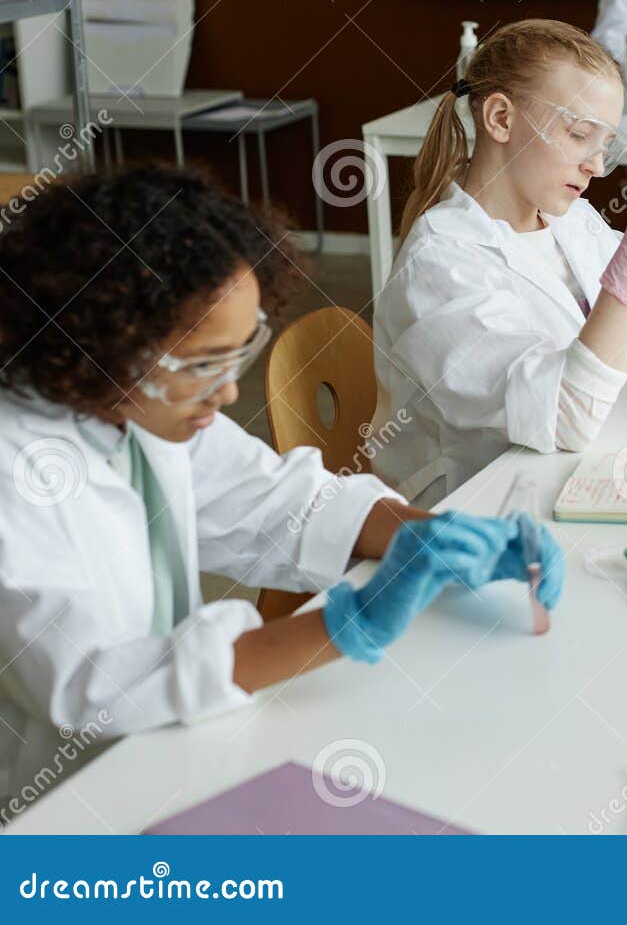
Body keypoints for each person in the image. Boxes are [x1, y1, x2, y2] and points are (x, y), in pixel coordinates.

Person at [0, 168, 560, 817]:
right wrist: (347, 624)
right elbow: (97, 686)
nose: (230, 390)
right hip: (63, 812)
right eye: (205, 362)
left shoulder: (142, 406)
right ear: (100, 340)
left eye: (238, 354)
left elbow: (279, 502)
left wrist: (423, 531)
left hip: (178, 753)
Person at [372, 19, 627, 506]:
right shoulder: (440, 264)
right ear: (501, 119)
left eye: (605, 146)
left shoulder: (567, 219)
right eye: (579, 135)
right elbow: (564, 414)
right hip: (472, 515)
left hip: (560, 481)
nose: (596, 166)